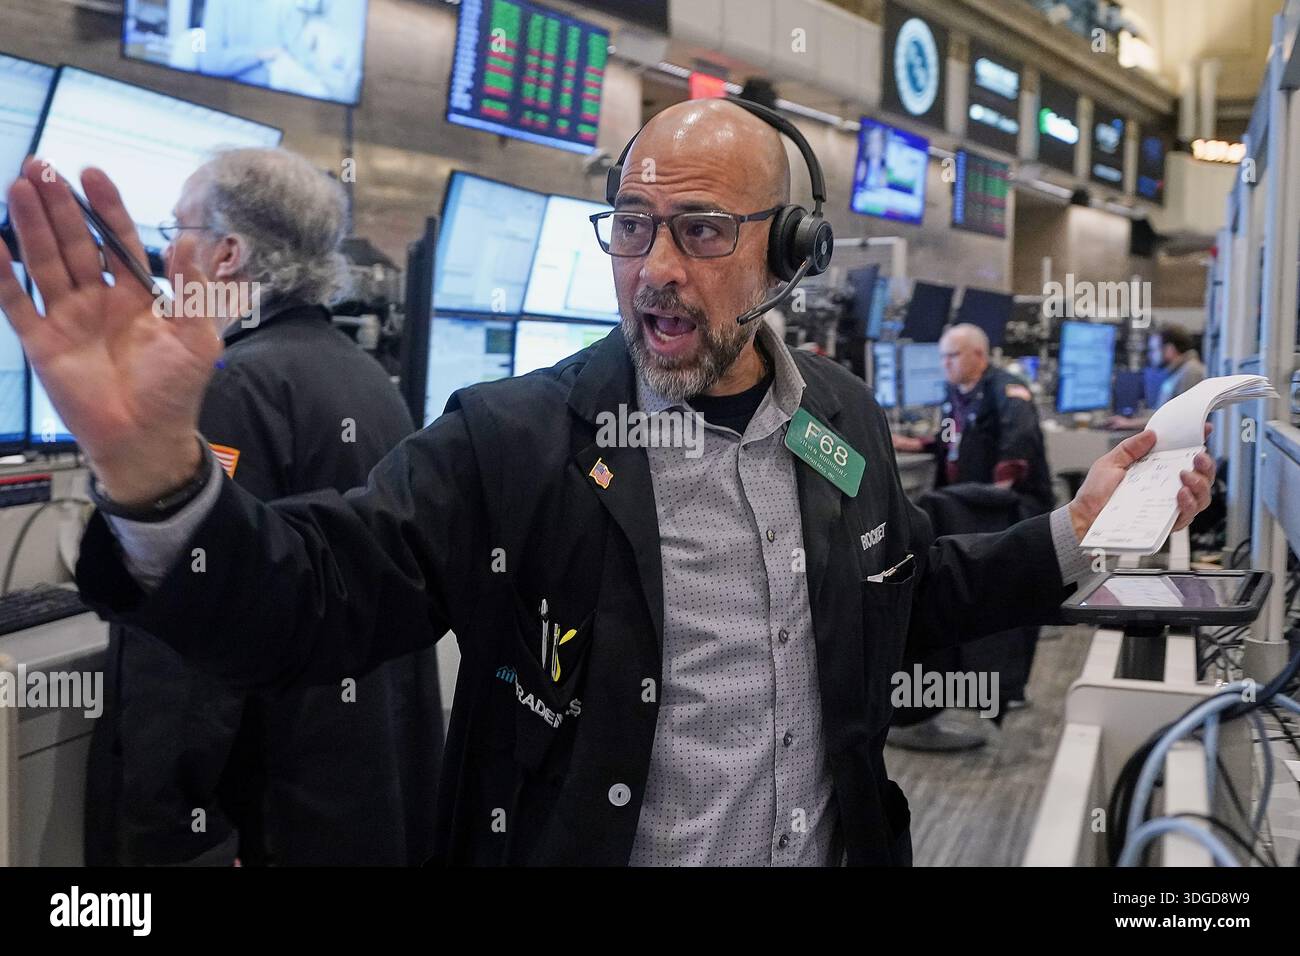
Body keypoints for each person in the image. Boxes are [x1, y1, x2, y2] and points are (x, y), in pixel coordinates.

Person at [0, 99, 1215, 866]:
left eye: (698, 231)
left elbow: (902, 593)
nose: (652, 267)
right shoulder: (517, 436)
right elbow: (309, 599)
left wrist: (1071, 532)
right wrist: (157, 477)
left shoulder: (832, 417)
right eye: (631, 226)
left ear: (789, 253)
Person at [83, 148, 444, 866]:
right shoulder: (365, 376)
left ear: (226, 255)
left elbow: (190, 651)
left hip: (276, 817)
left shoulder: (232, 388)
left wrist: (165, 836)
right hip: (368, 799)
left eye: (176, 227)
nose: (162, 250)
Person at [890, 324, 1054, 749]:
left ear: (979, 355)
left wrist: (998, 489)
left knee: (1013, 594)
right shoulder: (955, 396)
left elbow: (1019, 444)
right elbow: (951, 443)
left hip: (1011, 509)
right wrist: (913, 444)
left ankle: (1009, 686)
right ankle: (969, 687)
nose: (944, 365)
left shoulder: (1007, 389)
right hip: (971, 510)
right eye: (942, 357)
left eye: (952, 357)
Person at [1105, 323, 1206, 430]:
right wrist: (1132, 420)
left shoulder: (1191, 372)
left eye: (1153, 350)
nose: (1150, 356)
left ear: (1169, 349)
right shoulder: (1180, 372)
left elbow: (1178, 419)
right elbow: (1167, 415)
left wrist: (1129, 424)